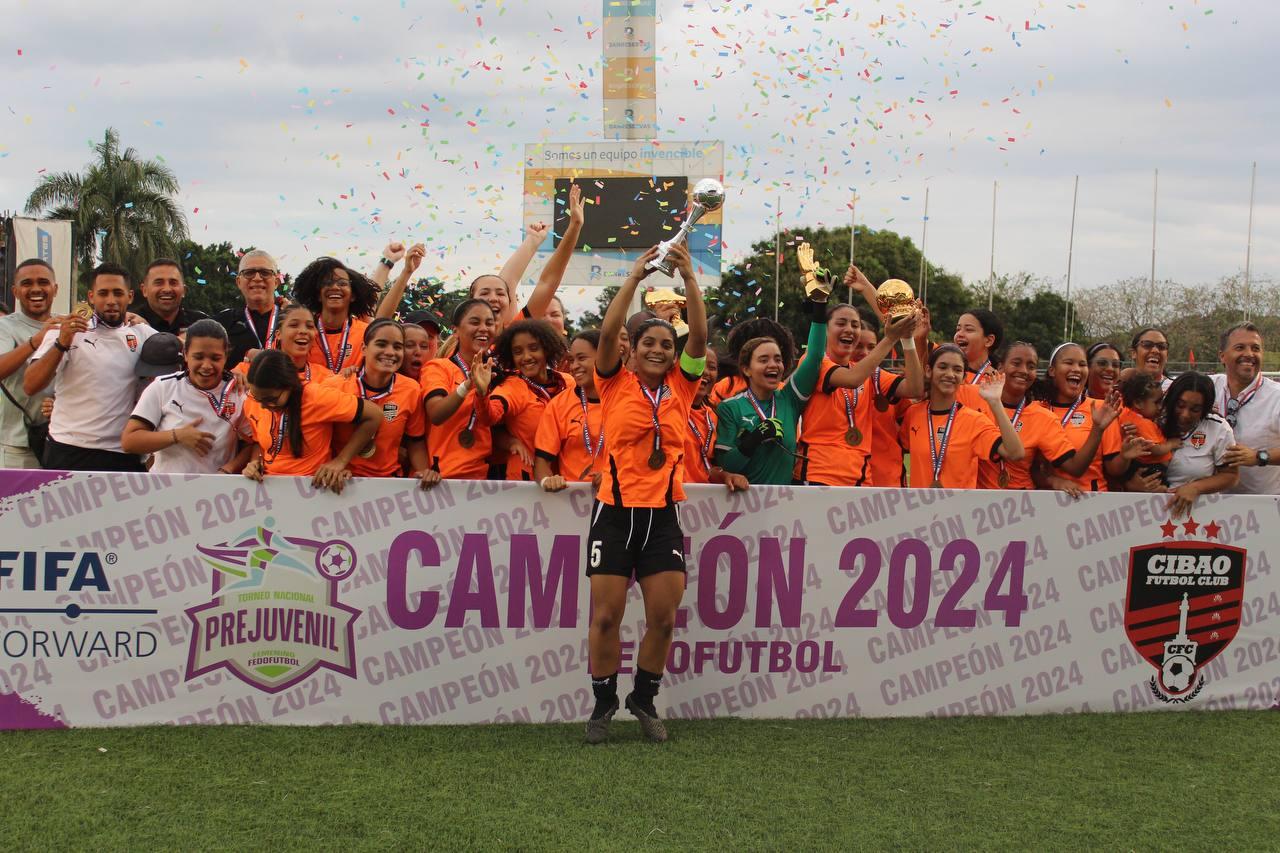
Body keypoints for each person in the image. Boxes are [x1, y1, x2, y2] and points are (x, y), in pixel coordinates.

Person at [585, 242, 707, 744]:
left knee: (662, 617)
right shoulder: (613, 383)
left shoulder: (683, 387)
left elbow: (700, 337)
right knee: (607, 616)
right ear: (631, 352)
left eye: (666, 345)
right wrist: (633, 278)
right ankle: (603, 703)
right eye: (648, 343)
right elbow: (607, 332)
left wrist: (691, 280)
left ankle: (644, 698)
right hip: (614, 515)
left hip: (661, 517)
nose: (659, 350)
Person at [25, 263, 159, 472]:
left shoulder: (143, 334)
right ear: (91, 297)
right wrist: (62, 343)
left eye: (118, 293)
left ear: (130, 296)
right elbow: (30, 385)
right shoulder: (64, 331)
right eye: (103, 293)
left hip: (122, 452)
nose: (111, 300)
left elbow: (186, 351)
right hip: (68, 449)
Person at [796, 300, 923, 486]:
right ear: (825, 330)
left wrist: (907, 339)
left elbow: (915, 388)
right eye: (841, 323)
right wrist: (890, 339)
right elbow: (852, 379)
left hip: (860, 478)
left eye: (855, 325)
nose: (849, 329)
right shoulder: (813, 362)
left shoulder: (870, 375)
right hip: (818, 475)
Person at [976, 341, 1117, 494]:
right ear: (1000, 367)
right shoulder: (974, 398)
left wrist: (1097, 429)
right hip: (974, 499)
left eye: (1031, 366)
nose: (1024, 370)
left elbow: (1073, 467)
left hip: (1027, 500)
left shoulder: (1042, 416)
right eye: (1016, 363)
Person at [239, 349, 381, 494]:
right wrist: (255, 463)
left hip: (314, 490)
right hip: (269, 489)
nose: (263, 406)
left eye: (271, 399)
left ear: (289, 385)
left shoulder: (316, 397)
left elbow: (375, 415)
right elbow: (259, 442)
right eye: (258, 398)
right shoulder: (254, 401)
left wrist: (341, 461)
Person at [121, 320, 251, 474]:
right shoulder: (163, 386)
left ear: (226, 356)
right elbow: (129, 441)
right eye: (198, 357)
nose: (206, 366)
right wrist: (177, 436)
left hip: (218, 486)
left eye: (215, 358)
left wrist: (228, 469)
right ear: (185, 354)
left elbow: (253, 443)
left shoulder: (238, 392)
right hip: (168, 484)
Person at [322, 319, 436, 487]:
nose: (390, 352)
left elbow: (415, 441)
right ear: (364, 349)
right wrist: (336, 464)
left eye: (397, 347)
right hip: (342, 480)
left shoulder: (411, 390)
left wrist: (424, 471)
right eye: (381, 344)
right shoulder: (336, 387)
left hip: (388, 483)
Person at [899, 345, 1025, 488]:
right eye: (942, 367)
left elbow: (1015, 453)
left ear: (964, 377)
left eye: (957, 370)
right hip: (920, 503)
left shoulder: (975, 421)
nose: (950, 374)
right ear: (929, 371)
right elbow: (899, 448)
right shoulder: (913, 413)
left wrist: (995, 402)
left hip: (961, 503)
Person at [1030, 343, 1142, 493]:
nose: (1076, 369)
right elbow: (1028, 466)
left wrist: (1125, 456)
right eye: (1069, 362)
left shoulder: (1102, 409)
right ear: (1052, 370)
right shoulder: (1035, 410)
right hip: (1042, 500)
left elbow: (1114, 469)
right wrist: (1052, 481)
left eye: (1082, 364)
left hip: (1090, 499)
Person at [485, 319, 572, 480]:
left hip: (569, 479)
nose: (526, 357)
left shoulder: (568, 382)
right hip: (526, 482)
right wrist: (481, 393)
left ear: (547, 349)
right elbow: (490, 417)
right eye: (518, 352)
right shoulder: (512, 386)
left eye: (533, 348)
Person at [421, 299, 497, 479]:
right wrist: (467, 385)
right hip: (439, 478)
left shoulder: (496, 373)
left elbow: (491, 421)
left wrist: (482, 394)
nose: (483, 328)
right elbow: (436, 414)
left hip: (481, 480)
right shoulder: (438, 367)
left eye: (489, 323)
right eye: (475, 322)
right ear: (455, 331)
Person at [0, 259, 60, 468]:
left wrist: (134, 319)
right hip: (17, 447)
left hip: (61, 442)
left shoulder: (66, 324)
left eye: (43, 282)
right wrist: (38, 339)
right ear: (15, 291)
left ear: (55, 289)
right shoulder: (5, 327)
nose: (36, 289)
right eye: (27, 283)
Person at [535, 330, 607, 490]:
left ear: (603, 357)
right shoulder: (559, 405)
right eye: (571, 360)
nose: (574, 366)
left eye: (582, 358)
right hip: (571, 501)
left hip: (619, 499)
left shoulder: (626, 399)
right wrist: (547, 480)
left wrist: (615, 476)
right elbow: (542, 463)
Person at [1214, 323, 1280, 495]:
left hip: (1263, 505)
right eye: (1240, 348)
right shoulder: (1208, 387)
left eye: (1255, 348)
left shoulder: (1276, 396)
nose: (1249, 354)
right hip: (1209, 503)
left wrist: (1259, 457)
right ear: (1222, 356)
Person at [1162, 371, 1238, 516]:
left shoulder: (1218, 428)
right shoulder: (1154, 420)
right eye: (1180, 405)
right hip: (1144, 510)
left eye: (1195, 409)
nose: (1185, 414)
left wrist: (1195, 488)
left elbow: (1231, 476)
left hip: (1199, 514)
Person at [292, 257, 382, 374]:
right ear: (318, 295)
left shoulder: (366, 334)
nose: (334, 287)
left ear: (353, 296)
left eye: (342, 283)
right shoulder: (302, 332)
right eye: (327, 283)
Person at [680, 349, 749, 492]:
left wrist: (726, 476)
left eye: (712, 367)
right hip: (671, 496)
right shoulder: (667, 408)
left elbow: (706, 467)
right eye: (699, 364)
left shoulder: (713, 415)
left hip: (704, 498)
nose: (705, 371)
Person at [214, 249, 285, 368]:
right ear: (238, 282)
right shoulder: (222, 323)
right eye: (249, 273)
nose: (257, 278)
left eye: (265, 272)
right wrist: (244, 354)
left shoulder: (293, 322)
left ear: (276, 282)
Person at [708, 317, 796, 407]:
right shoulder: (726, 387)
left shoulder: (783, 391)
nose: (772, 365)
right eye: (764, 360)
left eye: (777, 359)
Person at [1118, 371, 1180, 483]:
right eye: (1157, 402)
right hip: (1151, 469)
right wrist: (1171, 444)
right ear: (1138, 403)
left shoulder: (1127, 414)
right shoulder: (1143, 423)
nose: (1160, 407)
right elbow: (1155, 449)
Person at [133, 258, 208, 336]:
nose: (167, 289)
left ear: (184, 290)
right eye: (159, 283)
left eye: (173, 283)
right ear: (144, 290)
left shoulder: (202, 325)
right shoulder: (130, 324)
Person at [953, 308, 1002, 382]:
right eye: (958, 329)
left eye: (969, 329)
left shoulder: (996, 381)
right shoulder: (943, 367)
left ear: (989, 341)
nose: (959, 334)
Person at [399, 311, 443, 382]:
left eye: (429, 336)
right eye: (410, 344)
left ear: (437, 343)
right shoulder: (385, 377)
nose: (418, 351)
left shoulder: (446, 379)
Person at [1128, 327, 1172, 392]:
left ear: (1167, 356)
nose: (1155, 350)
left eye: (1162, 346)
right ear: (1134, 353)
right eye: (1147, 345)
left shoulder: (1176, 390)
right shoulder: (1119, 388)